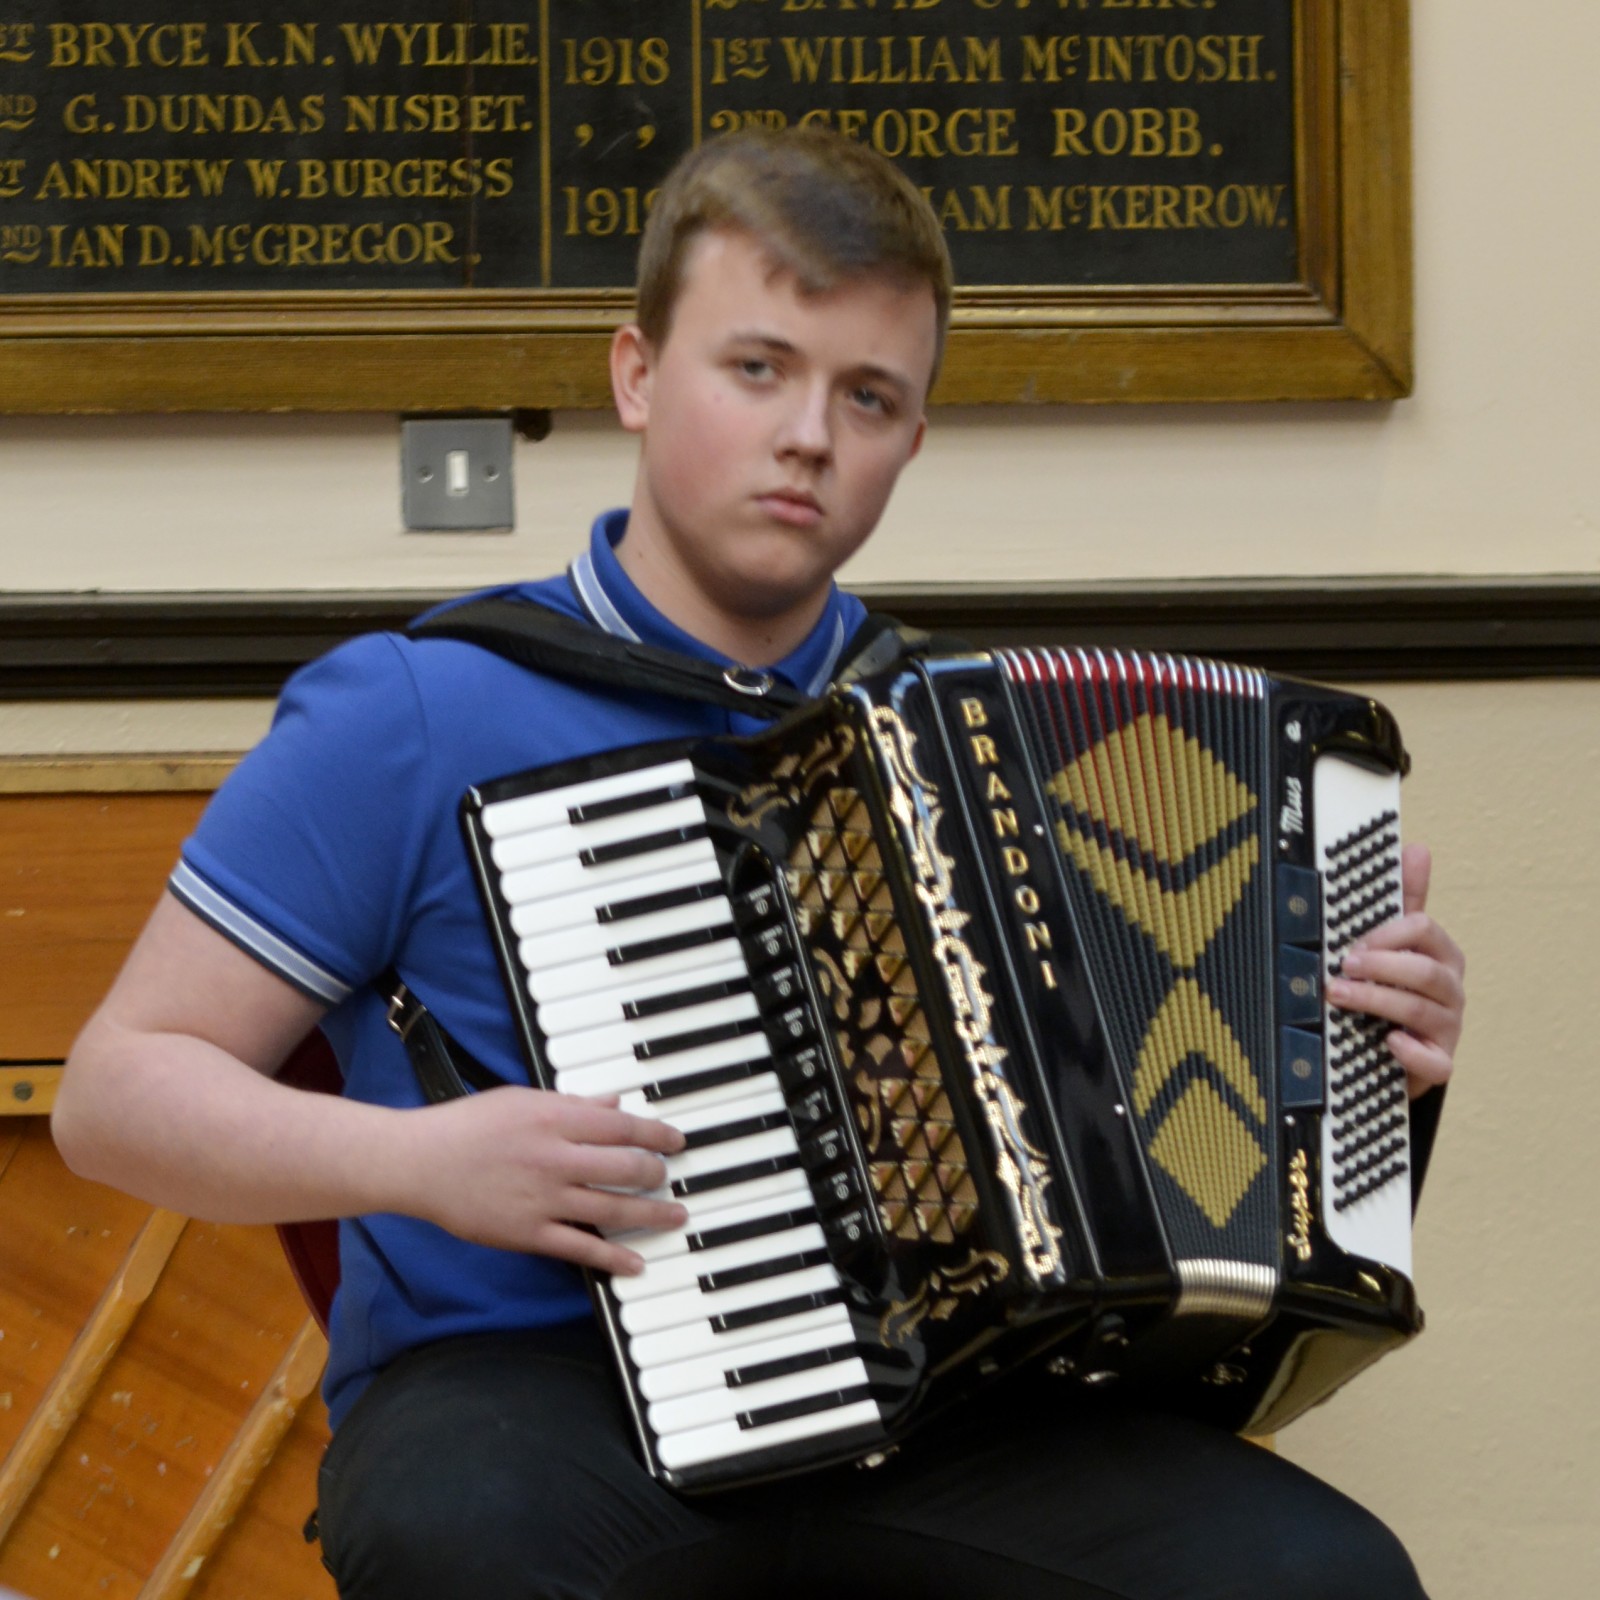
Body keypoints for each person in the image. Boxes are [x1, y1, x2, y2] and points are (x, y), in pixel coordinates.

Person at [54, 127, 1466, 1600]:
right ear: (636, 375)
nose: (810, 435)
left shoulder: (967, 753)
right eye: (758, 369)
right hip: (532, 1396)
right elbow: (116, 1094)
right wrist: (421, 1163)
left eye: (869, 398)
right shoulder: (414, 709)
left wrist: (1363, 1050)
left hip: (943, 1406)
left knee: (1323, 1575)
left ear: (912, 441)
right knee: (453, 1535)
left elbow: (1135, 1152)